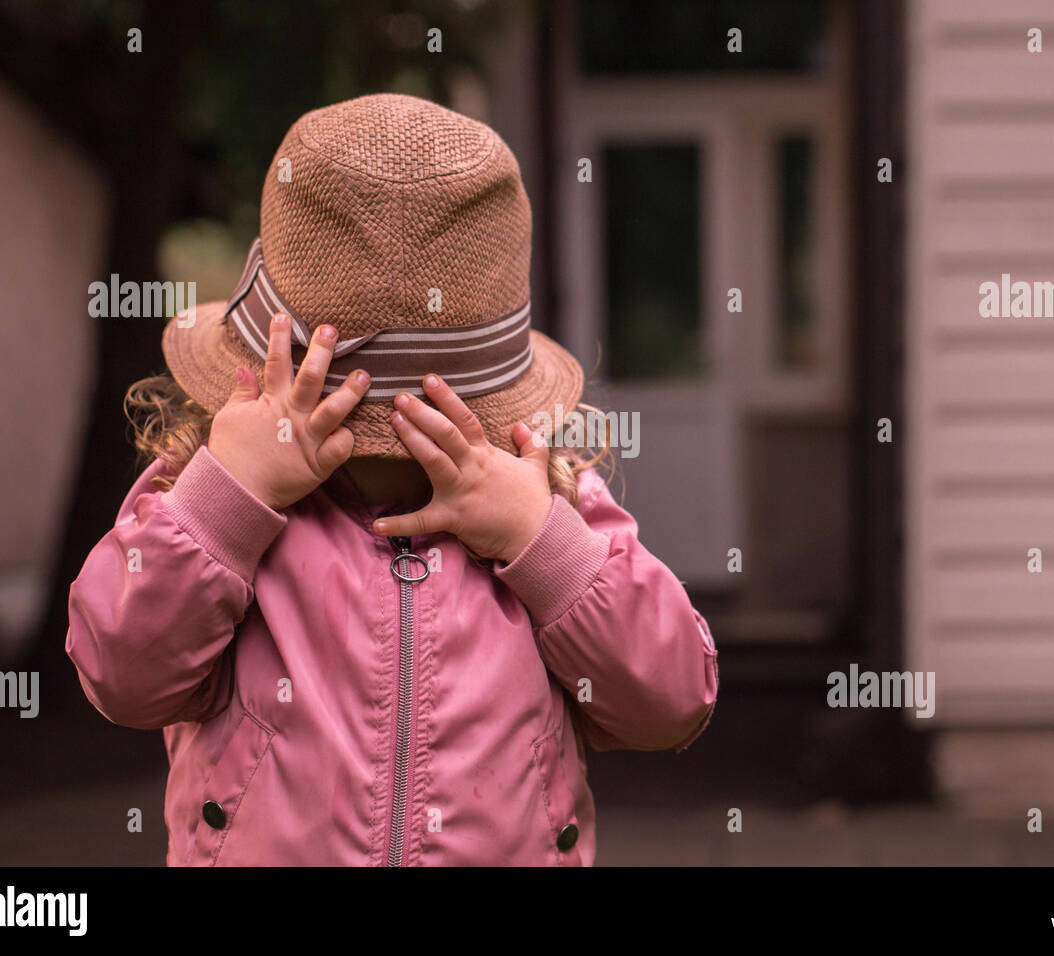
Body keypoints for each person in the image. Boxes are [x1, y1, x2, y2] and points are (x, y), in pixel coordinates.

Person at [65, 93, 718, 866]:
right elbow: (122, 676)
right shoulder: (208, 499)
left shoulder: (550, 502)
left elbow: (669, 703)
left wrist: (539, 541)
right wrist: (226, 496)